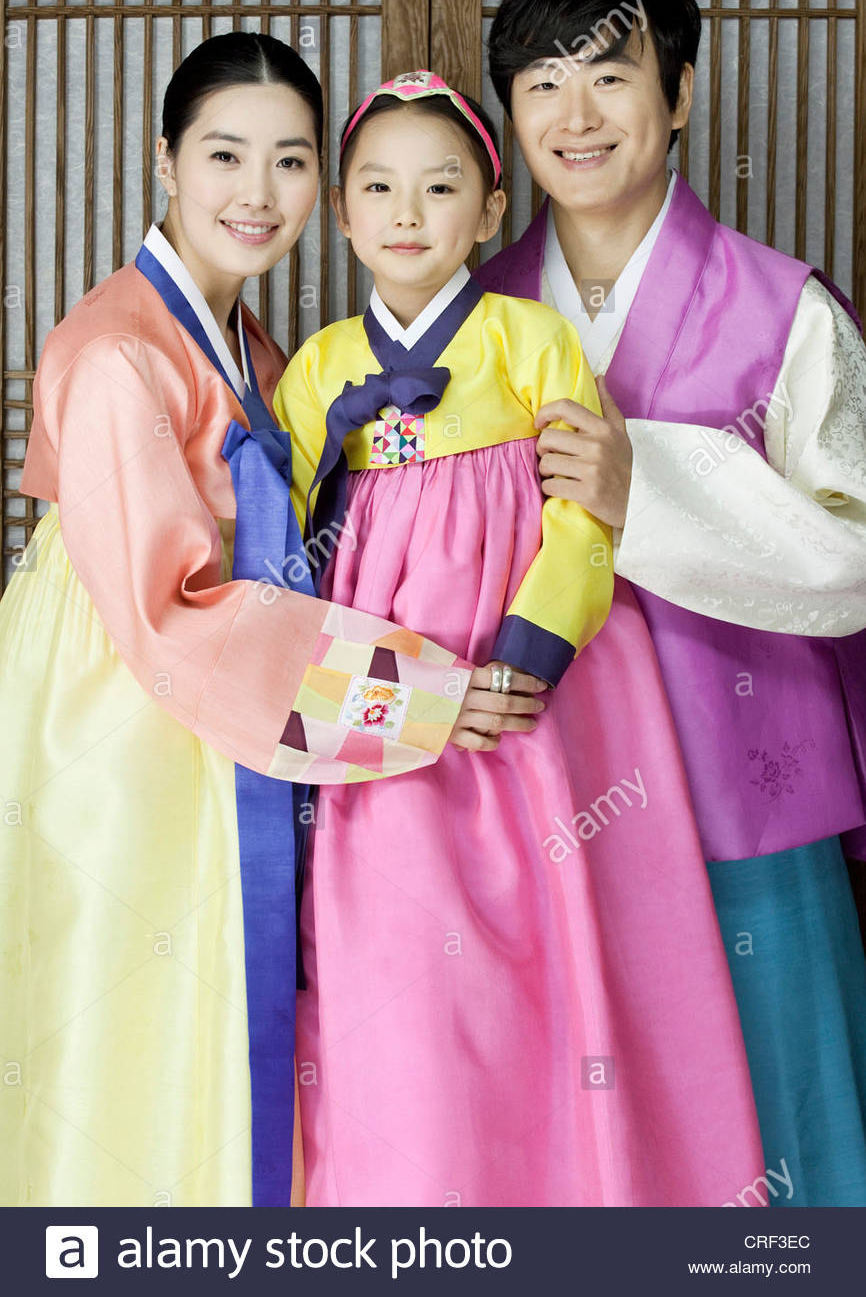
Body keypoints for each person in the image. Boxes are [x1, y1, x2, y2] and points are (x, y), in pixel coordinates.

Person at [0, 33, 545, 1208]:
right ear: (165, 162)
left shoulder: (251, 348)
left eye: (290, 161)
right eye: (224, 156)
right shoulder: (114, 355)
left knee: (203, 1037)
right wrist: (425, 693)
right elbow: (169, 611)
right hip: (125, 714)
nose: (257, 195)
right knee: (129, 1036)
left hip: (210, 706)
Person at [275, 70, 765, 1206]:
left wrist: (527, 654)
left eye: (441, 187)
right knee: (396, 956)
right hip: (390, 702)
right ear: (342, 213)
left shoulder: (529, 340)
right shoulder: (315, 370)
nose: (408, 214)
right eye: (380, 189)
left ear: (490, 210)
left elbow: (584, 512)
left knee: (550, 951)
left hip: (530, 703)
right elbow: (278, 554)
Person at [479, 0, 866, 1206]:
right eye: (540, 81)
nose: (573, 114)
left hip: (740, 798)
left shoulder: (784, 311)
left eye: (608, 72)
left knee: (778, 1138)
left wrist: (643, 489)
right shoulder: (470, 313)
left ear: (680, 92)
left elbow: (855, 558)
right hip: (536, 791)